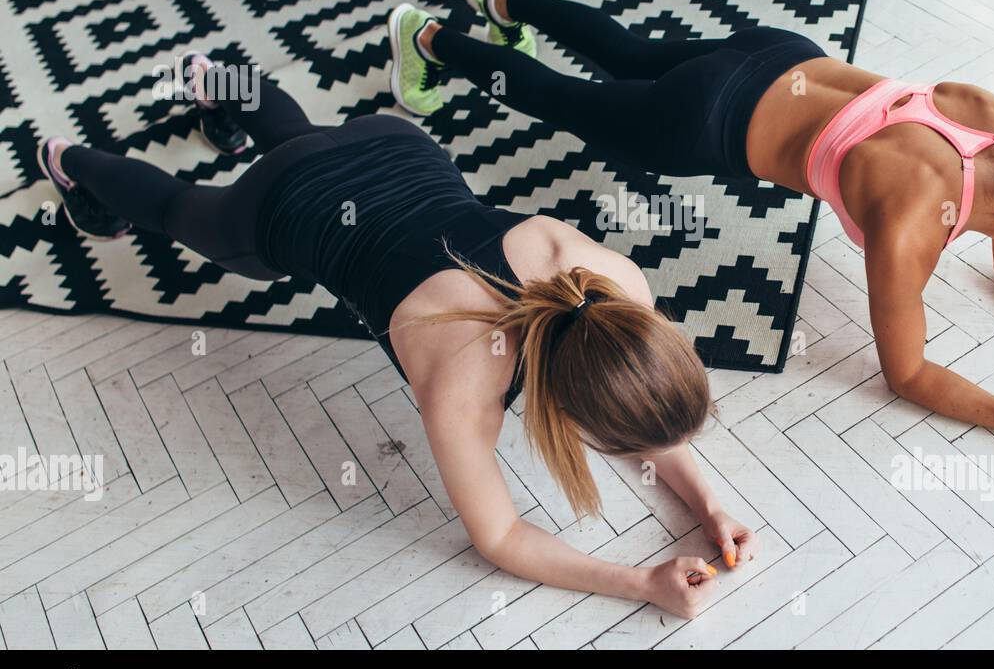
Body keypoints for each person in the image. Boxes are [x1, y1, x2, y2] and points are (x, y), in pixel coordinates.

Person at [37, 54, 757, 620]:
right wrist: (638, 583)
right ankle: (69, 162)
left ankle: (214, 78)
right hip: (288, 205)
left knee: (302, 140)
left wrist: (709, 505)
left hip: (398, 145)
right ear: (568, 410)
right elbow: (501, 538)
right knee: (176, 208)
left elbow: (634, 392)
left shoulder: (612, 283)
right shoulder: (463, 389)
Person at [387, 0, 994, 459]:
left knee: (630, 51)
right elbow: (905, 374)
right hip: (711, 124)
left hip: (782, 54)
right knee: (571, 102)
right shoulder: (915, 218)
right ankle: (429, 43)